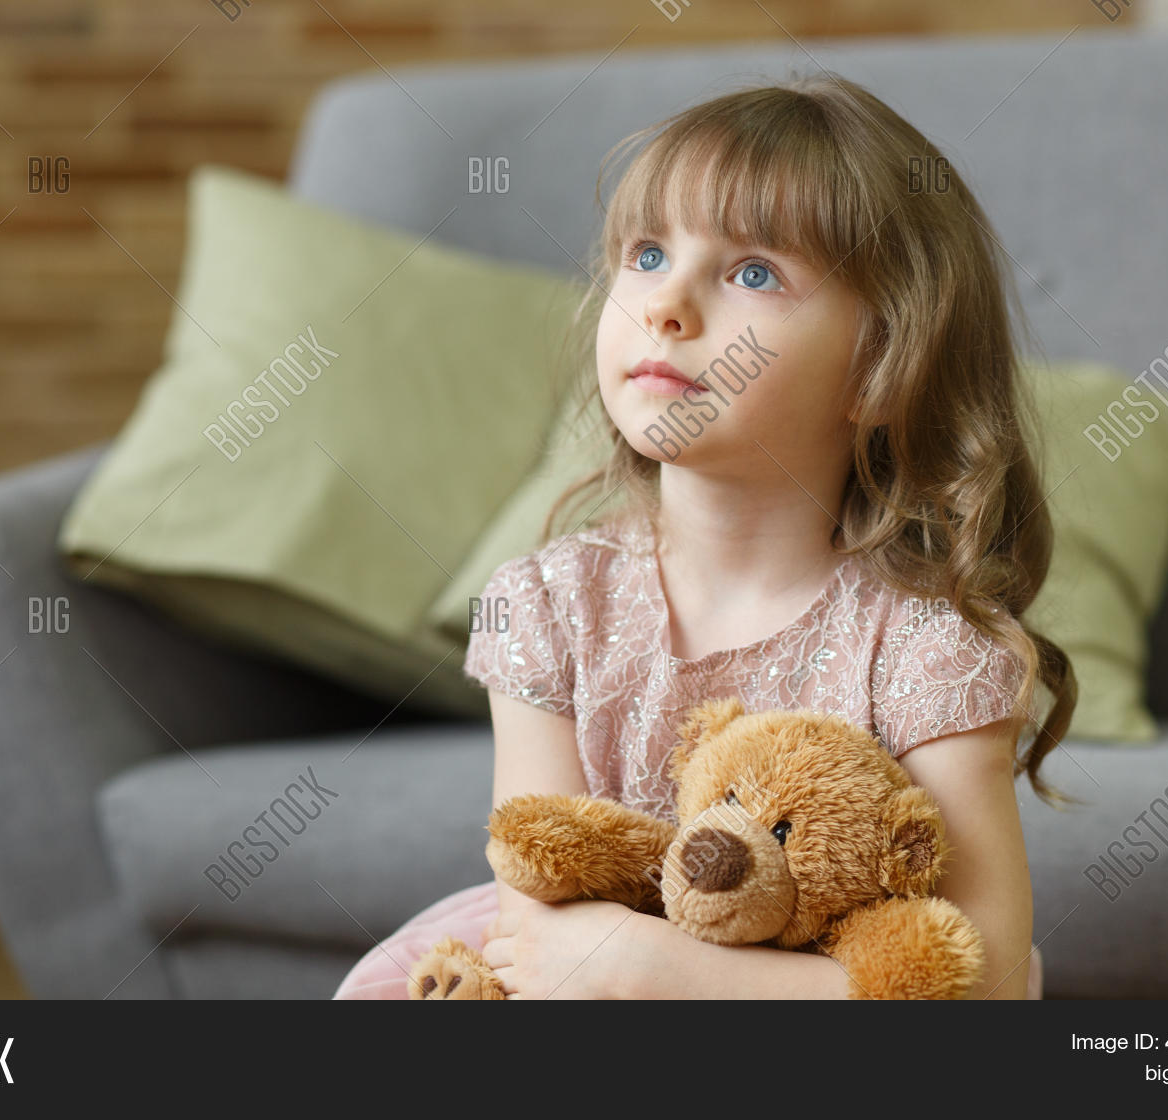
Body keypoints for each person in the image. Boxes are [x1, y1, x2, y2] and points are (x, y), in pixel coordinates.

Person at [334, 74, 1076, 999]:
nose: (666, 304)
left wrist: (667, 974)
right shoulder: (551, 603)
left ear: (883, 367)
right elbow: (537, 910)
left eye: (752, 272)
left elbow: (985, 985)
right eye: (645, 255)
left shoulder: (926, 648)